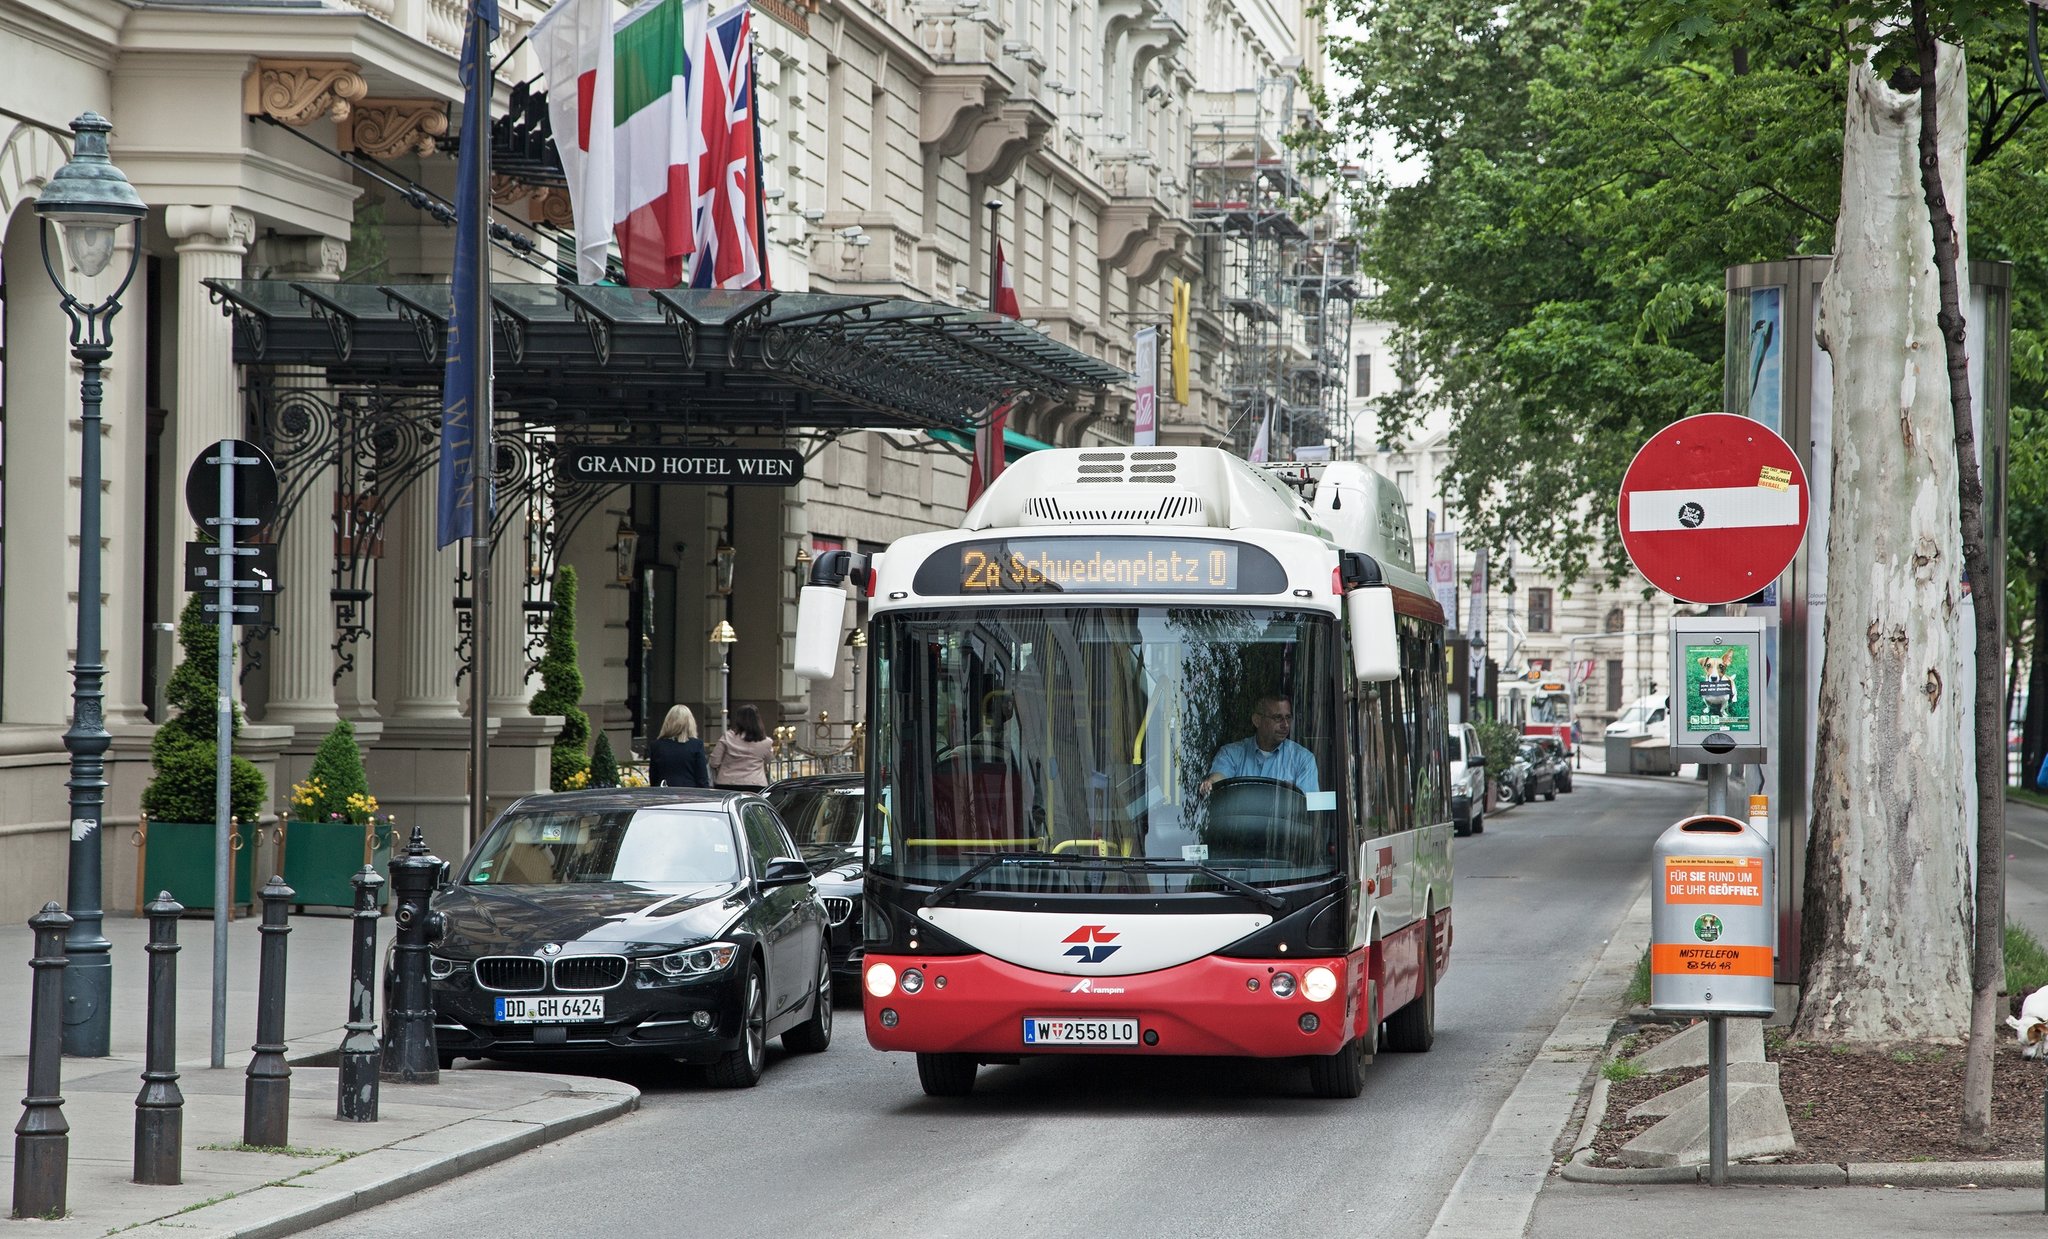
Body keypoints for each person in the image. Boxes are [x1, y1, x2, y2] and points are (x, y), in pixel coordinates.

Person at [1200, 692, 1319, 796]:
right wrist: (1210, 784)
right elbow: (1218, 780)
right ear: (1257, 720)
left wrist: (1289, 798)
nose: (1285, 725)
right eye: (1278, 718)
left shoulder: (1303, 760)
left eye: (1288, 718)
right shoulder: (1231, 753)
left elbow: (1308, 808)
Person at [710, 703, 775, 792]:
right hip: (755, 784)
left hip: (727, 783)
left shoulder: (727, 737)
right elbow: (769, 760)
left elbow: (714, 762)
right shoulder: (766, 742)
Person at [647, 704, 711, 788]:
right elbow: (702, 778)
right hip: (690, 793)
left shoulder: (656, 746)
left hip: (664, 792)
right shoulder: (696, 745)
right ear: (690, 723)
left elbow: (653, 777)